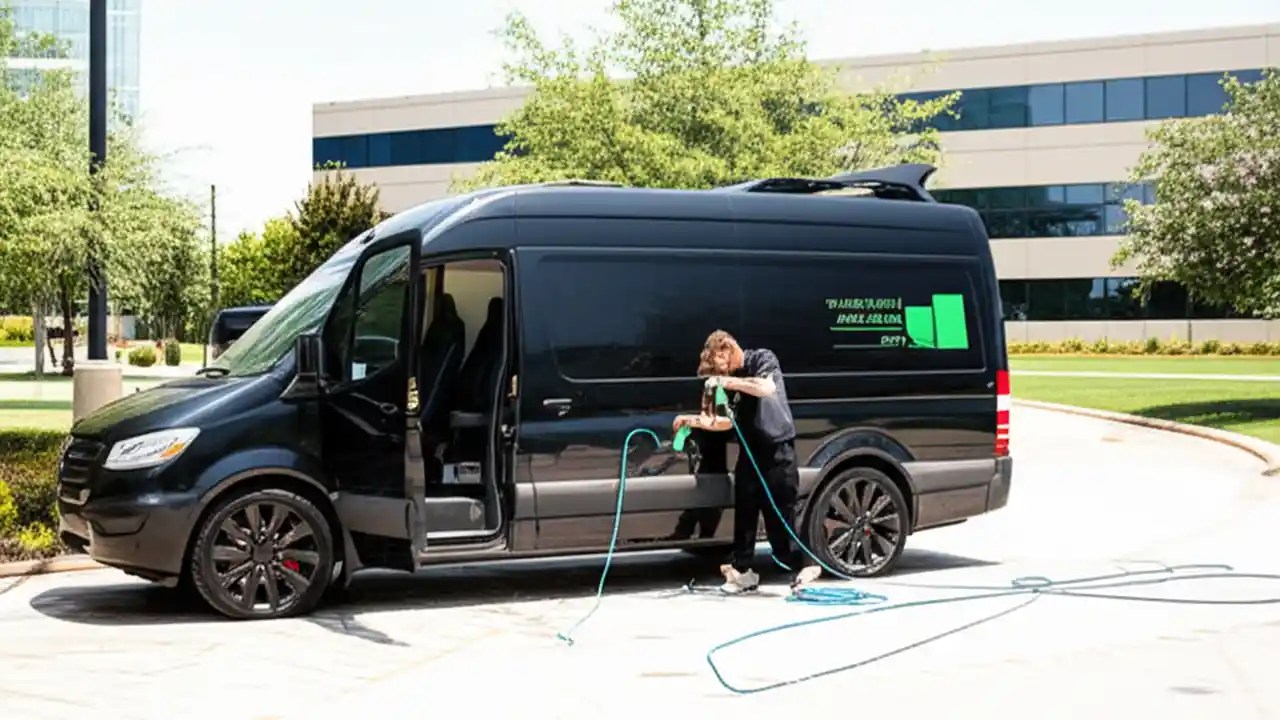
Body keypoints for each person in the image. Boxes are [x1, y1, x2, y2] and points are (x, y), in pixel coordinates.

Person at [672, 330, 821, 595]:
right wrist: (691, 420)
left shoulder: (763, 359)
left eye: (721, 365)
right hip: (750, 451)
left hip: (777, 451)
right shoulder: (730, 380)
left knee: (780, 521)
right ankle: (743, 571)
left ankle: (807, 565)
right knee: (745, 513)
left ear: (728, 349)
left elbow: (766, 388)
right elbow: (726, 422)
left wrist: (727, 382)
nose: (723, 373)